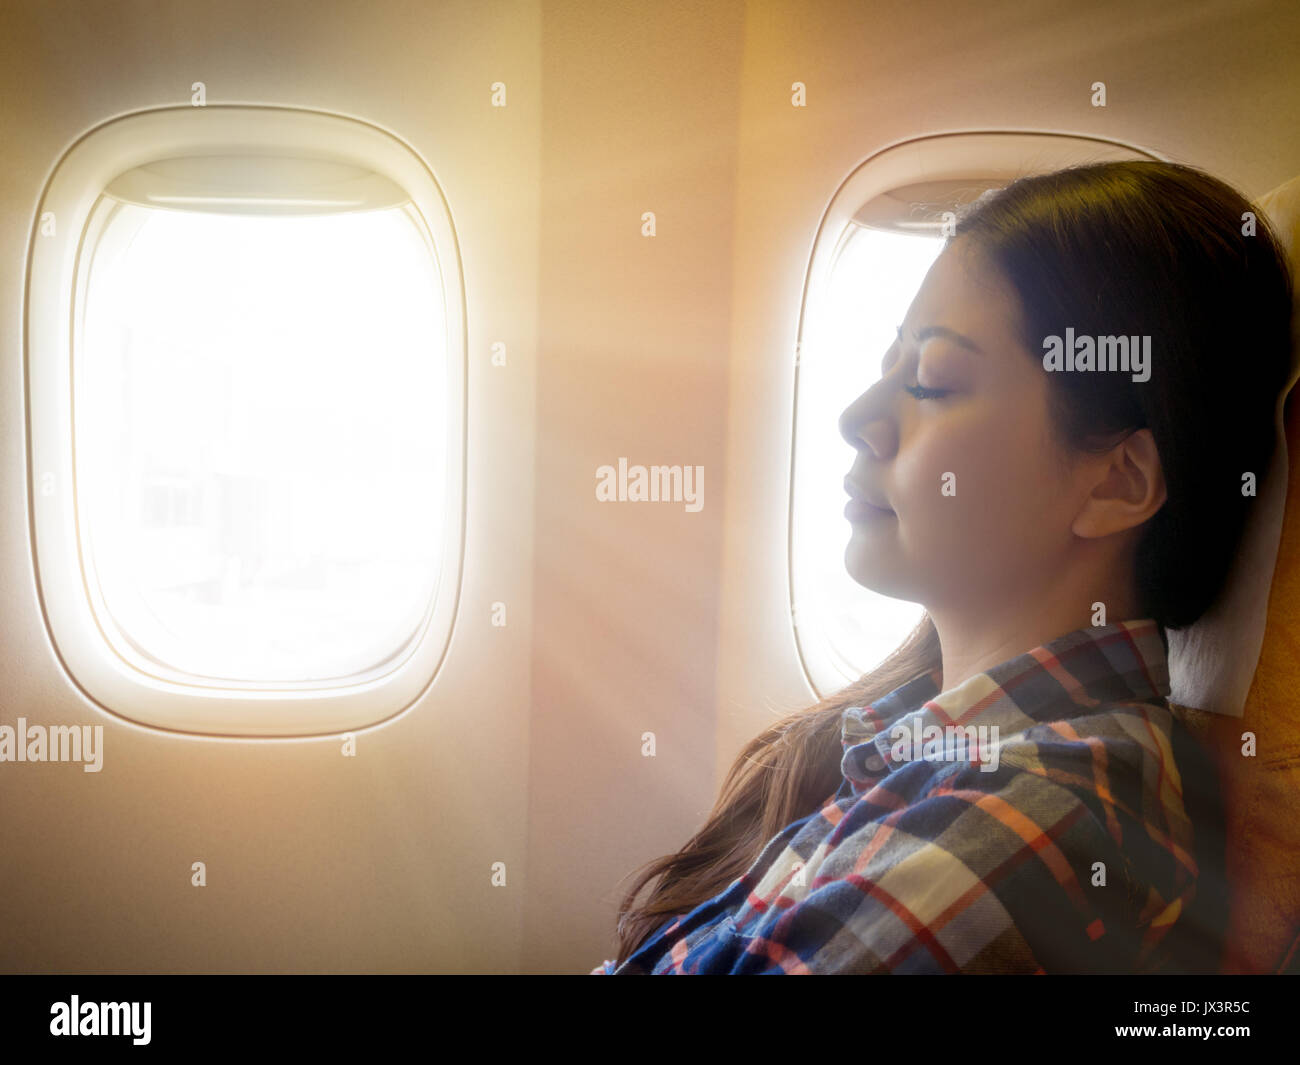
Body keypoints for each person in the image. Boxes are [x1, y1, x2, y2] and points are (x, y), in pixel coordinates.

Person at [591, 160, 1294, 974]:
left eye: (931, 380)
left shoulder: (1035, 818)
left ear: (1117, 481)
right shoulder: (926, 739)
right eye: (893, 366)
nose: (859, 417)